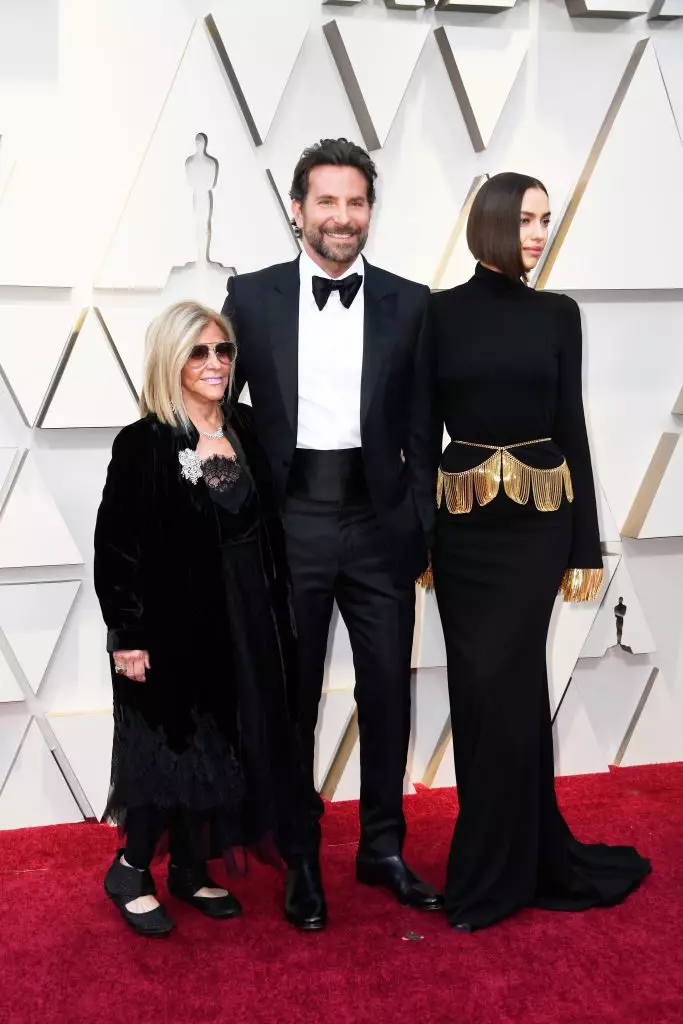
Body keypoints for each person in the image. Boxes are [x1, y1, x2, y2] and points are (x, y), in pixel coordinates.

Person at [415, 172, 651, 931]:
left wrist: (584, 545)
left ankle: (501, 870)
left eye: (545, 220)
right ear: (488, 224)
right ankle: (505, 860)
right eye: (524, 219)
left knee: (510, 689)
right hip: (462, 531)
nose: (537, 233)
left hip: (537, 530)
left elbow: (570, 423)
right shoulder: (437, 314)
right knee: (480, 696)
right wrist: (417, 536)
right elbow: (419, 437)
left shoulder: (559, 314)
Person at [222, 138, 442, 924]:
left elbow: (424, 426)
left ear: (370, 212)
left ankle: (383, 847)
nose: (342, 218)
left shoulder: (411, 301)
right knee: (293, 702)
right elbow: (216, 402)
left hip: (380, 526)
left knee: (388, 693)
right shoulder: (249, 297)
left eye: (355, 203)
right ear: (297, 210)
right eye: (327, 202)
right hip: (290, 527)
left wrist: (416, 525)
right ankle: (300, 857)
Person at [94, 301, 315, 936]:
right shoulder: (144, 443)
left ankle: (191, 868)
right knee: (169, 747)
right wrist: (127, 636)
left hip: (248, 619)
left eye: (222, 351)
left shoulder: (245, 427)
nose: (215, 363)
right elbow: (117, 547)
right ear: (172, 360)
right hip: (172, 628)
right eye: (199, 352)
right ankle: (131, 868)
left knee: (228, 744)